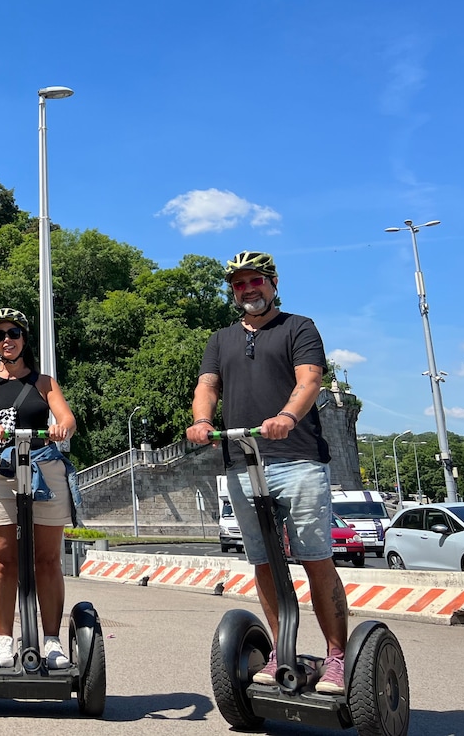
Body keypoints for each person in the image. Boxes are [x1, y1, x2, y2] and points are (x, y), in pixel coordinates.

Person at [185, 251, 346, 695]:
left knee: (315, 558)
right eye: (239, 284)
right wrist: (202, 421)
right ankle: (282, 651)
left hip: (297, 459)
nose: (247, 289)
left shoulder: (299, 327)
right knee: (264, 563)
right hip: (242, 462)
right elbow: (208, 386)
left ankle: (336, 658)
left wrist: (288, 417)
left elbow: (309, 380)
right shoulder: (220, 339)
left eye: (255, 281)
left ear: (272, 283)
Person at [0, 308, 78, 671]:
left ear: (24, 338)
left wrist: (61, 429)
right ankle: (5, 640)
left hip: (43, 466)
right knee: (5, 559)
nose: (6, 340)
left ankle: (53, 641)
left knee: (47, 559)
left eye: (13, 333)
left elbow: (67, 417)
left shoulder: (44, 382)